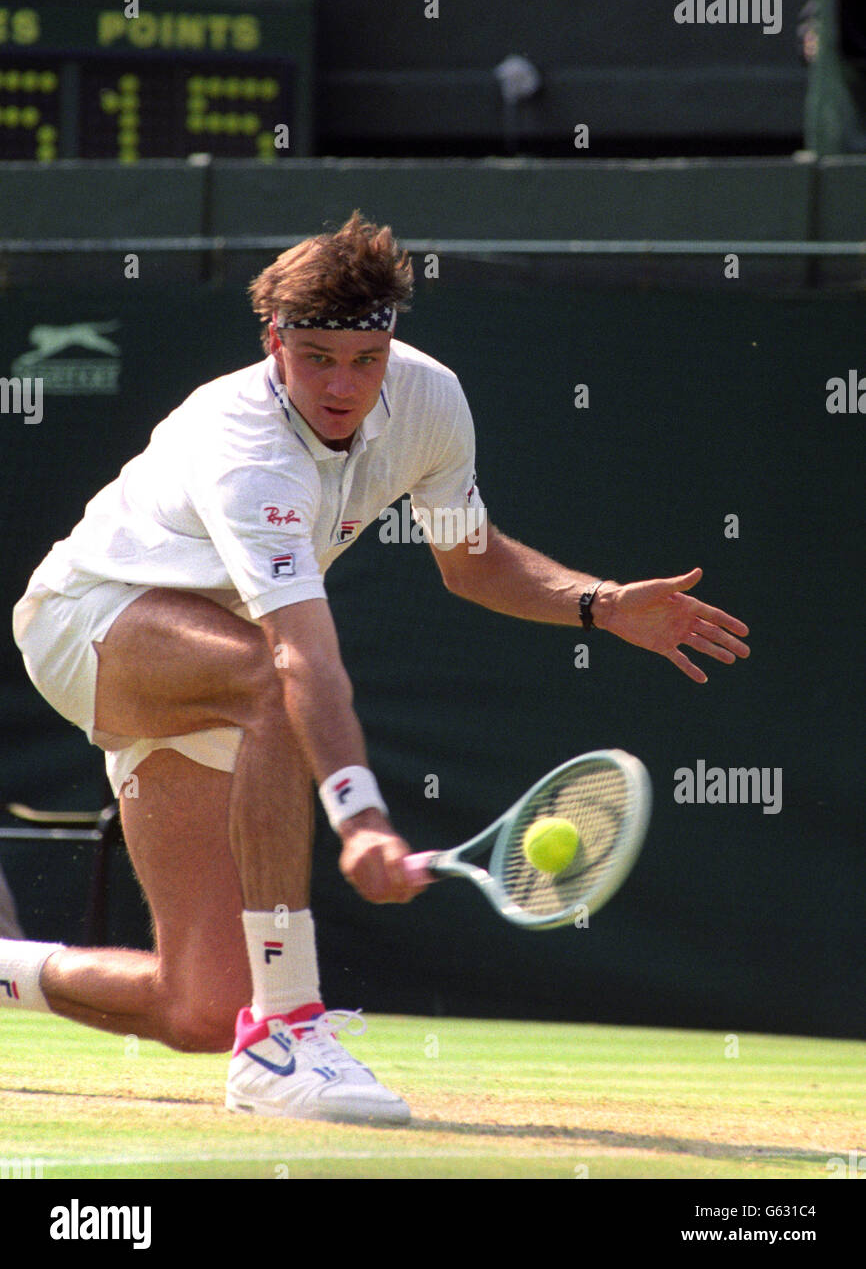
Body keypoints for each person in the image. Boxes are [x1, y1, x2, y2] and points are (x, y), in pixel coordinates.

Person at [4, 212, 749, 1124]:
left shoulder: (430, 401)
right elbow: (297, 658)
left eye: (366, 359)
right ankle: (286, 1026)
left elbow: (469, 560)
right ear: (273, 341)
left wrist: (597, 601)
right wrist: (358, 819)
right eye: (316, 357)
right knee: (273, 685)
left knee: (195, 1007)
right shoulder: (244, 448)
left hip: (215, 663)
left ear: (392, 340)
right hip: (93, 621)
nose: (343, 385)